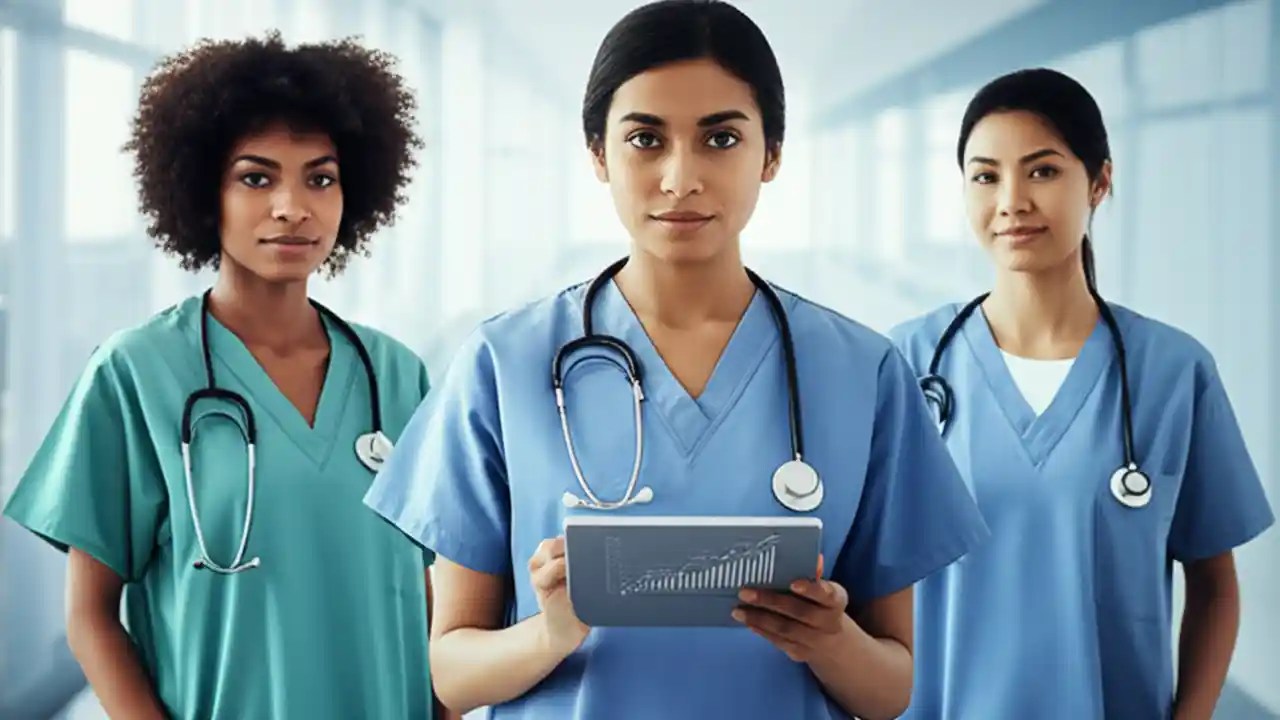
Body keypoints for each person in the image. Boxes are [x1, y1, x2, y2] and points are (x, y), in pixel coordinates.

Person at [363, 2, 988, 719]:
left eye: (721, 137)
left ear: (772, 154)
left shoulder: (862, 372)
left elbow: (890, 691)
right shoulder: (503, 364)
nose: (681, 177)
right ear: (598, 154)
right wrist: (552, 633)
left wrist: (829, 639)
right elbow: (451, 673)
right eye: (645, 139)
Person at [2, 32, 448, 719]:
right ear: (203, 191)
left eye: (320, 178)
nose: (292, 206)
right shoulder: (138, 373)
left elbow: (424, 593)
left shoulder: (394, 373)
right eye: (256, 177)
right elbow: (90, 617)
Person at [890, 68, 1275, 719]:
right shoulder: (907, 362)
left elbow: (1213, 586)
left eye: (1041, 171)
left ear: (1099, 181)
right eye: (986, 176)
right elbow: (869, 571)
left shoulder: (1172, 372)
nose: (1011, 200)